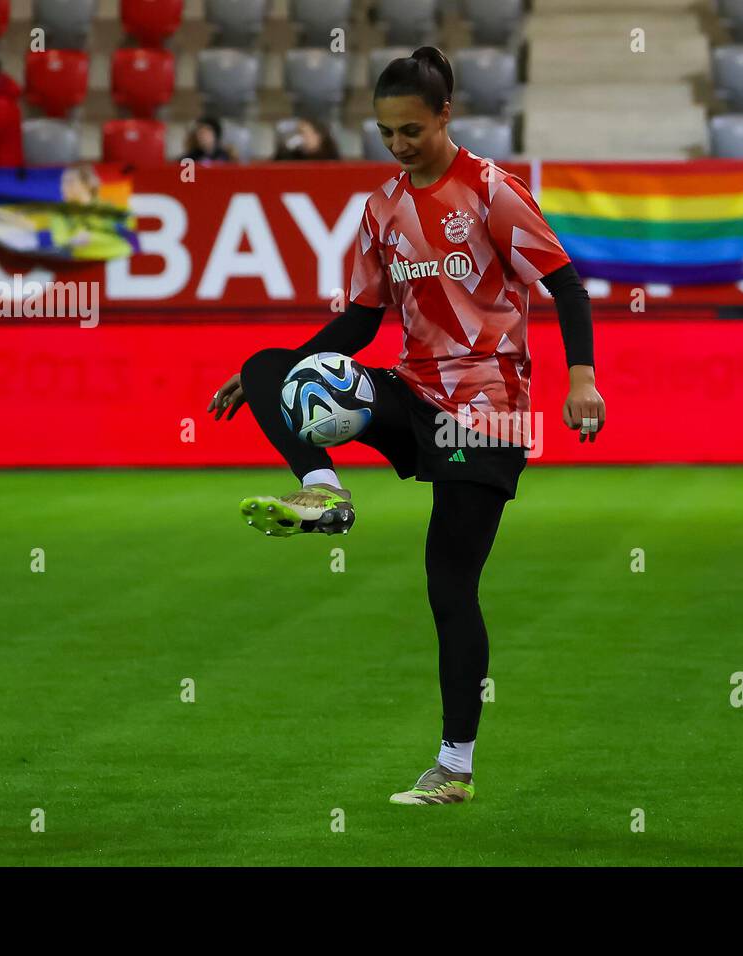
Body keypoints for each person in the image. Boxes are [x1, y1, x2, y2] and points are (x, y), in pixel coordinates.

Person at [208, 46, 604, 806]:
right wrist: (281, 374)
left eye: (412, 130)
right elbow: (360, 322)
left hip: (485, 414)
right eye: (387, 133)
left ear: (446, 114)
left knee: (449, 584)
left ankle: (454, 767)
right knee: (265, 366)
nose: (399, 145)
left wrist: (582, 376)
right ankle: (323, 490)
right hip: (412, 394)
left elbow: (567, 286)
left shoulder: (492, 190)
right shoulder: (382, 207)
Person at [273, 117, 339, 160]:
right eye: (298, 133)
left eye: (302, 133)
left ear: (318, 136)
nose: (299, 137)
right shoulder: (293, 156)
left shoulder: (331, 158)